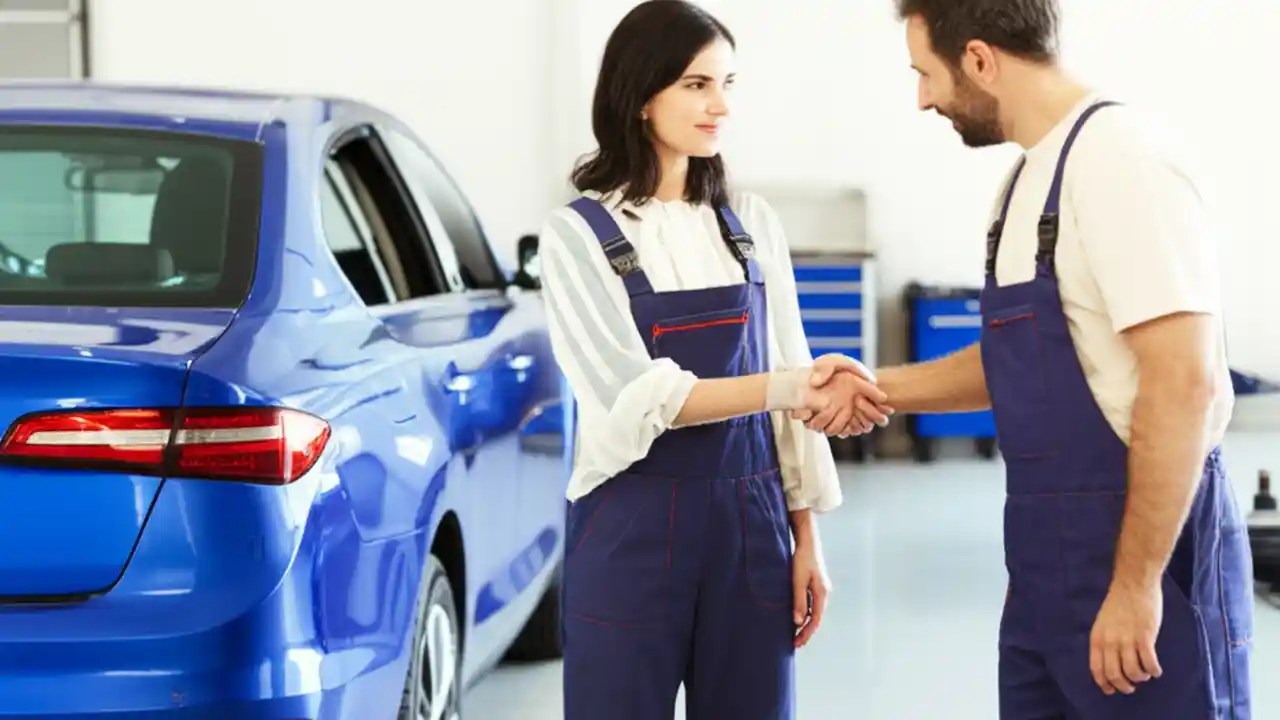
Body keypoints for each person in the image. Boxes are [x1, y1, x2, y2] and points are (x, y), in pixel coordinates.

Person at [803, 1, 1254, 717]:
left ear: (980, 60)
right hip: (1046, 565)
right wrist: (875, 386)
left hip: (1144, 556)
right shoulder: (1021, 189)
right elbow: (1014, 360)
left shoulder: (1123, 161)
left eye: (926, 74)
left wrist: (1136, 586)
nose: (921, 98)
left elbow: (1185, 383)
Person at [536, 2, 889, 718]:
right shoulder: (575, 237)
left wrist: (806, 536)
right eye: (698, 85)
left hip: (752, 527)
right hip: (629, 528)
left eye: (728, 83)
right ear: (641, 96)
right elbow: (639, 397)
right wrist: (790, 387)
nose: (720, 105)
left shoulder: (750, 226)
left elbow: (792, 374)